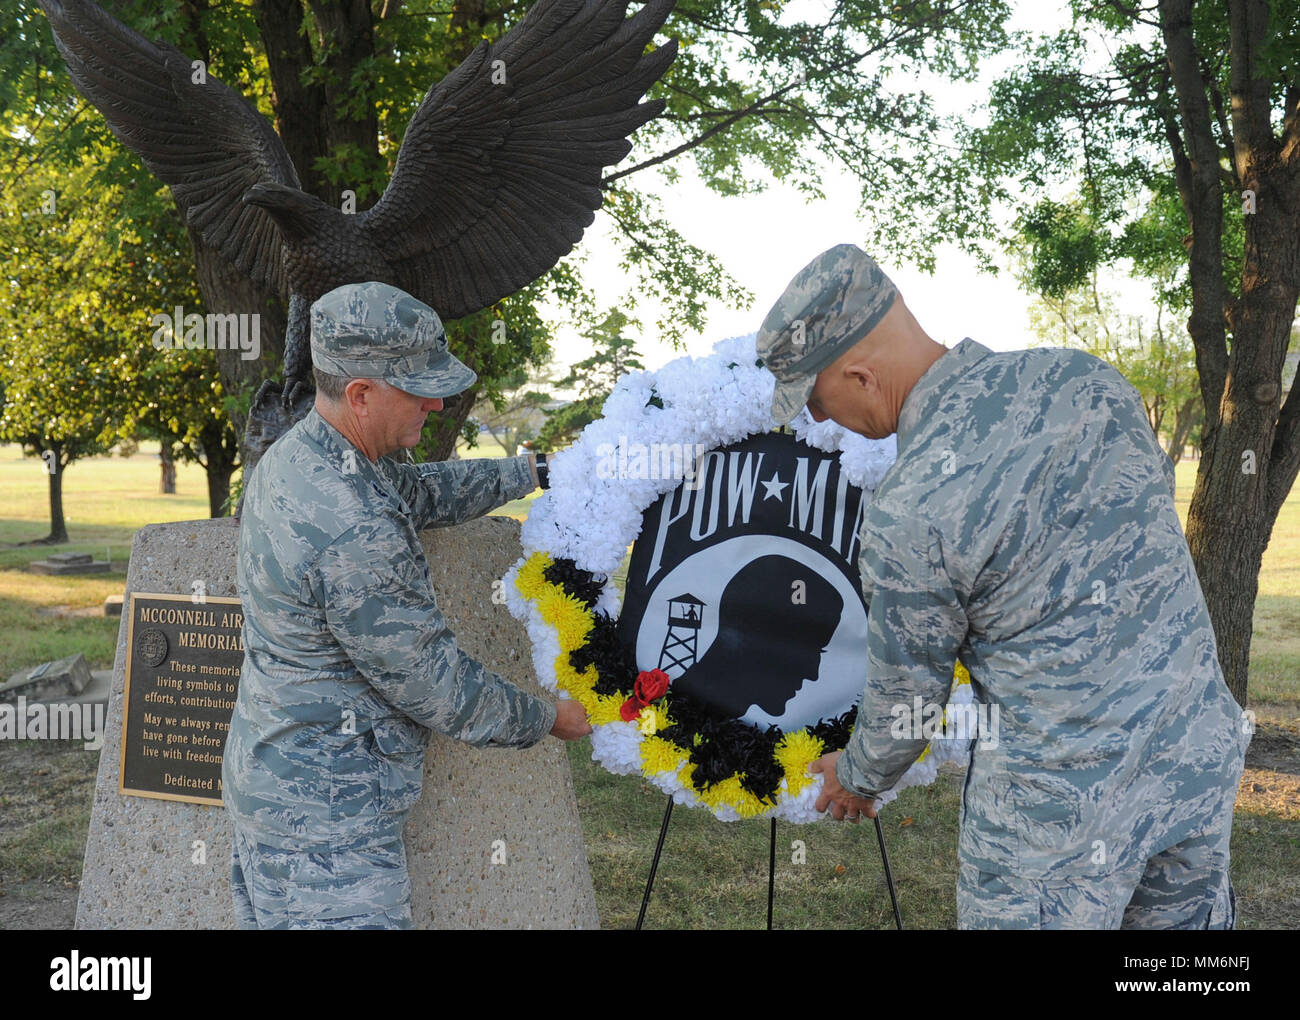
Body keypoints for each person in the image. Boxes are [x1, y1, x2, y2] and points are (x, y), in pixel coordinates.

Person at [757, 244, 1250, 929]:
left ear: (861, 375)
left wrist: (860, 776)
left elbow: (910, 696)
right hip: (1191, 751)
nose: (817, 419)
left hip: (1058, 808)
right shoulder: (1086, 379)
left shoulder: (913, 505)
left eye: (815, 398)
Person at [221, 280, 591, 930]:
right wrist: (548, 717)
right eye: (418, 387)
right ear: (361, 393)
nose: (438, 400)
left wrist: (533, 472)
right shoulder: (351, 524)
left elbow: (419, 489)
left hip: (280, 792)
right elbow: (434, 682)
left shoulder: (313, 455)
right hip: (328, 835)